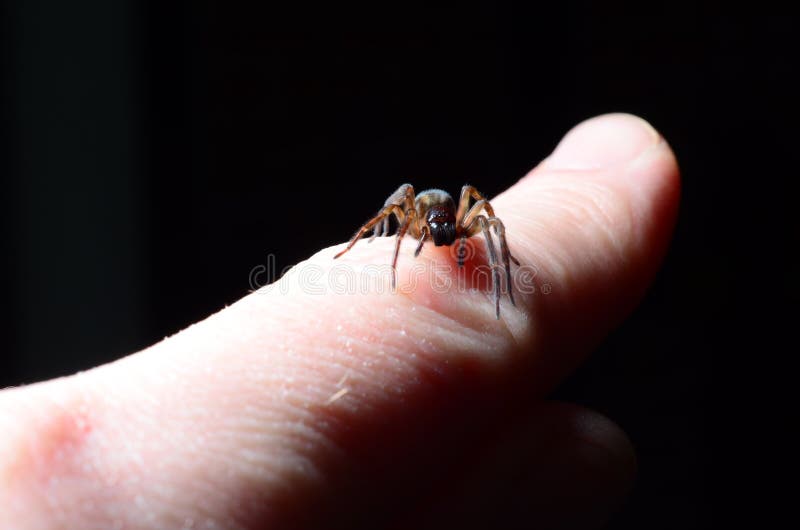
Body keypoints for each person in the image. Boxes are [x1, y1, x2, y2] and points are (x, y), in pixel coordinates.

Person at [0, 113, 680, 529]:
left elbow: (486, 216)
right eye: (434, 233)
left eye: (448, 231)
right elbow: (400, 211)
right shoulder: (414, 219)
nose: (443, 239)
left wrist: (502, 269)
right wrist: (379, 255)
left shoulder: (467, 218)